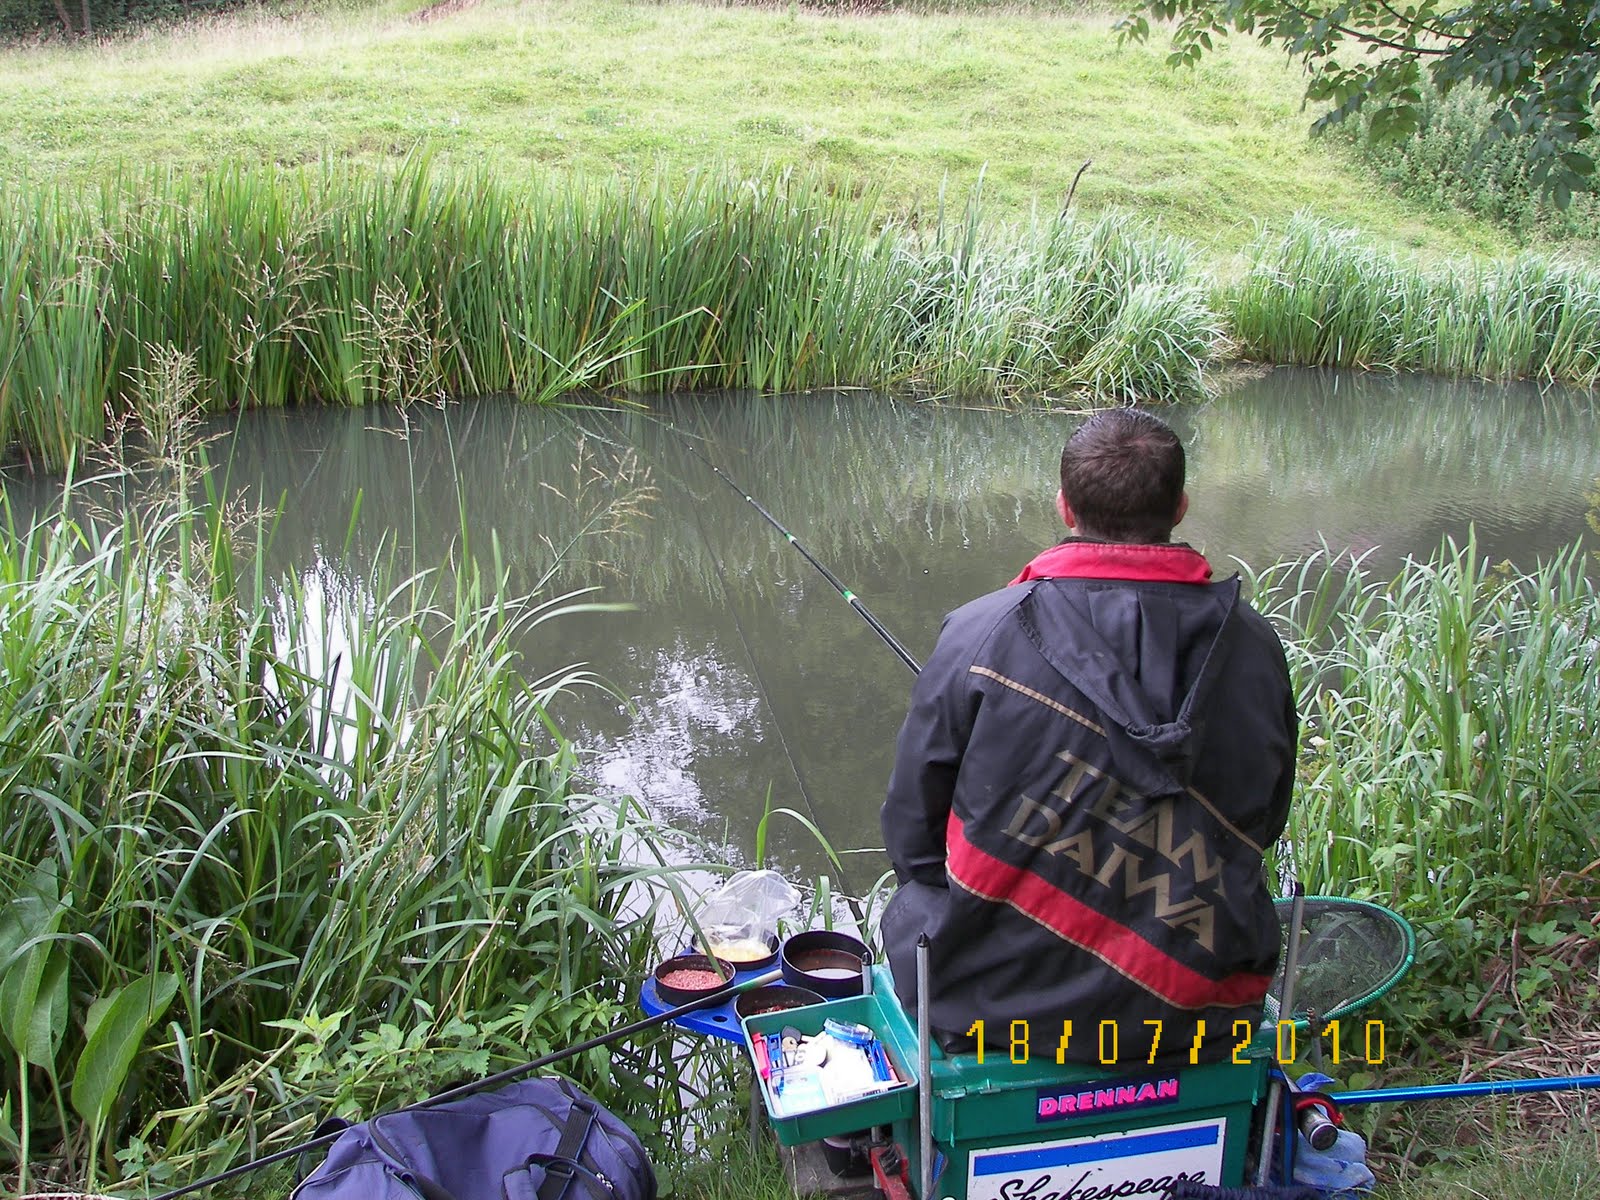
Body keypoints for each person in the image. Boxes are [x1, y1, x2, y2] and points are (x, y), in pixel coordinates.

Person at [878, 408, 1297, 1068]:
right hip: (1201, 1013)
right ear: (1181, 507)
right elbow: (1267, 819)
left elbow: (914, 841)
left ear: (1064, 506)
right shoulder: (1254, 645)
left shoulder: (979, 635)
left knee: (910, 909)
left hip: (992, 1011)